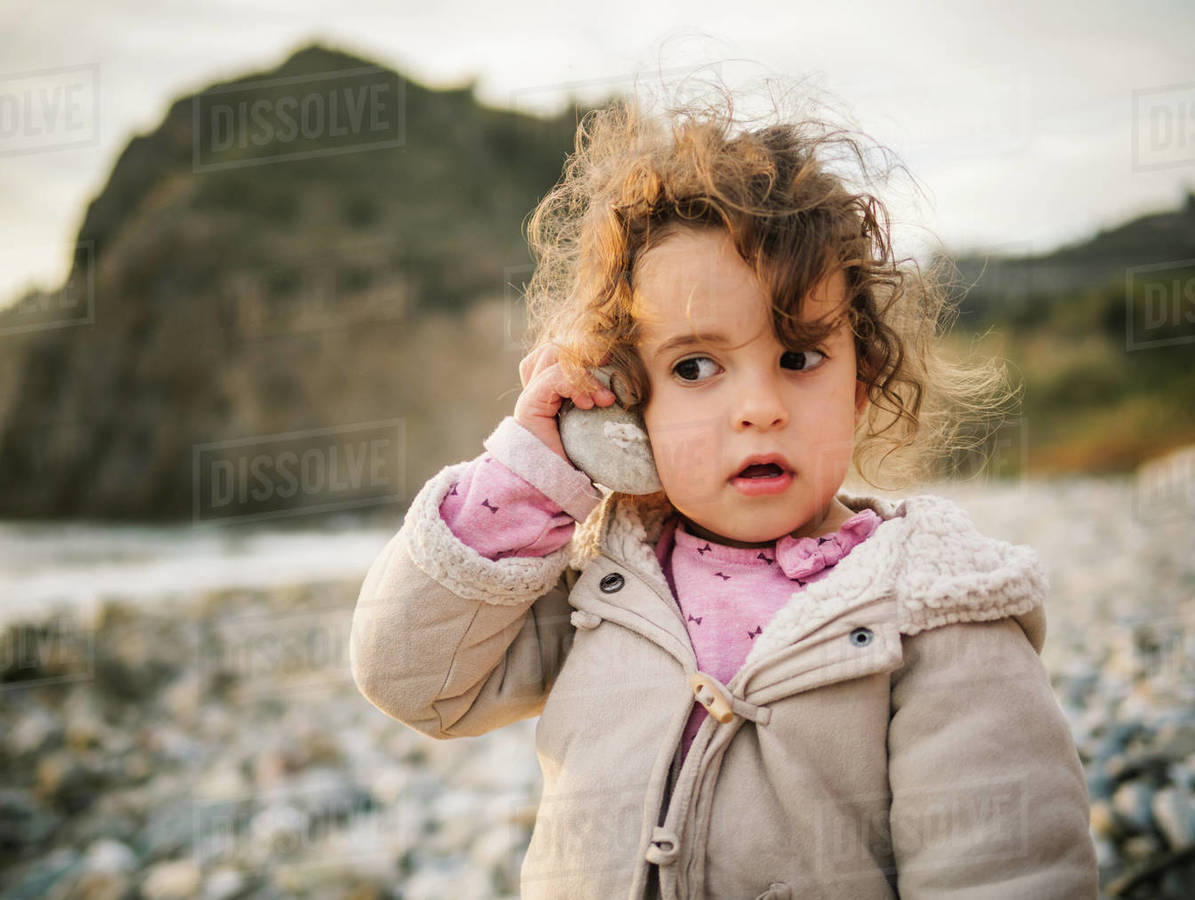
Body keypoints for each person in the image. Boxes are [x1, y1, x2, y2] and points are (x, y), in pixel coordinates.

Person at [349, 83, 1098, 898]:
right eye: (694, 368)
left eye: (801, 357)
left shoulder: (935, 609)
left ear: (861, 383)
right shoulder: (601, 583)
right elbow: (411, 678)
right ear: (628, 401)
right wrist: (531, 469)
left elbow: (1006, 869)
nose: (760, 409)